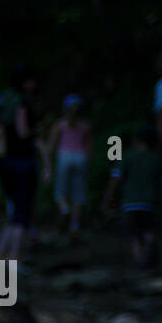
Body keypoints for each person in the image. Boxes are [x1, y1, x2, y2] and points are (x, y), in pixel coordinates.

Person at [0, 65, 50, 265]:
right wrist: (38, 133)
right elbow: (23, 131)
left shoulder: (3, 100)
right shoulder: (22, 103)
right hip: (22, 161)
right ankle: (13, 258)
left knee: (14, 210)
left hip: (3, 160)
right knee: (22, 212)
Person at [103, 126, 162, 268]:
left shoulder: (127, 156)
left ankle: (139, 260)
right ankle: (150, 241)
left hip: (129, 203)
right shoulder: (157, 159)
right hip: (149, 203)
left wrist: (108, 198)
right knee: (147, 229)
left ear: (137, 140)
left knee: (133, 234)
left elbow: (115, 179)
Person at [46, 95, 92, 233]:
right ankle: (74, 225)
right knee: (78, 193)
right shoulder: (86, 126)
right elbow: (89, 148)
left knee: (60, 192)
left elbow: (51, 147)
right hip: (81, 157)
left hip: (64, 157)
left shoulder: (60, 125)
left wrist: (47, 165)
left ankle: (64, 209)